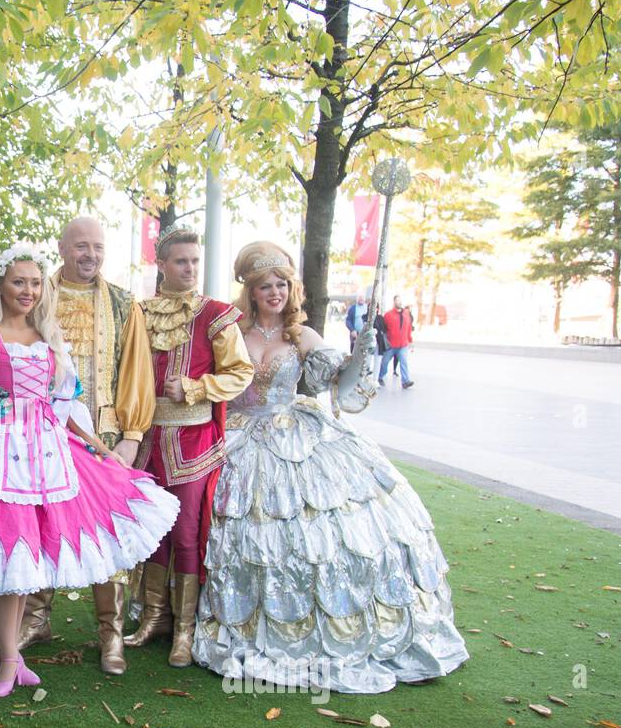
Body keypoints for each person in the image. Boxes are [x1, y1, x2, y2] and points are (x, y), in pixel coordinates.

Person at [0, 244, 179, 697]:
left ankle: (7, 657)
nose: (28, 291)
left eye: (36, 283)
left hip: (48, 455)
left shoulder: (50, 333)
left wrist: (100, 446)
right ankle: (7, 661)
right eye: (19, 281)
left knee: (25, 558)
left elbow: (65, 402)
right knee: (7, 554)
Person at [195, 242, 468, 692]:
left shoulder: (301, 335)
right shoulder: (232, 330)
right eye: (266, 286)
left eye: (282, 284)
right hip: (234, 435)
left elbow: (339, 384)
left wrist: (361, 353)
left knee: (315, 530)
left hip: (293, 434)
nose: (275, 293)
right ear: (251, 290)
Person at [16, 216, 156, 675]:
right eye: (81, 246)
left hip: (105, 433)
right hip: (42, 433)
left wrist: (132, 436)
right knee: (40, 524)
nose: (89, 255)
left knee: (108, 533)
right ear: (61, 247)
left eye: (97, 246)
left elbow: (136, 371)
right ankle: (35, 620)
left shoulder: (122, 303)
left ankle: (111, 634)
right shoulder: (38, 296)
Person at [128, 225, 255, 667]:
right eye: (181, 261)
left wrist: (198, 388)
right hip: (145, 441)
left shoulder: (216, 314)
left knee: (184, 535)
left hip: (193, 441)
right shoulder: (138, 312)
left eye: (195, 261)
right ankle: (154, 619)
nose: (189, 269)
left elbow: (241, 372)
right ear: (161, 265)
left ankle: (184, 629)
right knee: (152, 532)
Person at [379, 294, 415, 388]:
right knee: (385, 362)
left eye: (400, 300)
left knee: (404, 362)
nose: (399, 302)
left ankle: (405, 381)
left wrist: (410, 340)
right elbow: (383, 328)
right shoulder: (388, 315)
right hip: (391, 345)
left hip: (403, 345)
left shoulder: (406, 314)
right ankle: (380, 376)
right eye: (397, 300)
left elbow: (409, 328)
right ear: (394, 302)